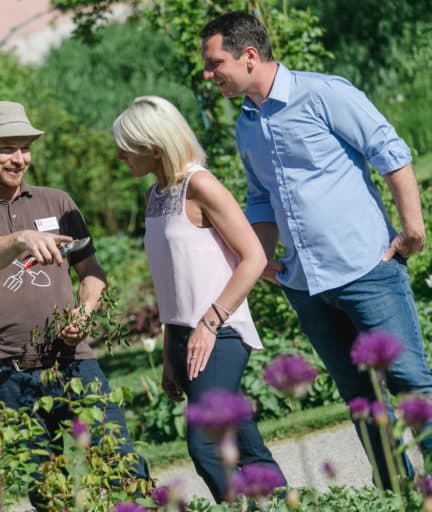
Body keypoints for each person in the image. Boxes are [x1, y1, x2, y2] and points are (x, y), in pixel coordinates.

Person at [200, 11, 432, 487]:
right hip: (307, 287)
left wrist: (413, 228)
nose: (208, 74)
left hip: (367, 270)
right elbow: (260, 198)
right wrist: (260, 259)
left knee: (411, 384)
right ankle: (398, 493)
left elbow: (389, 151)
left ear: (249, 56)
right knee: (362, 402)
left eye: (214, 63)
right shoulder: (246, 124)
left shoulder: (324, 93)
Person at [0, 101, 150, 508]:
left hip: (73, 361)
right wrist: (20, 240)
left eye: (26, 148)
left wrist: (84, 313)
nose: (20, 159)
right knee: (48, 490)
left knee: (121, 463)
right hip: (6, 375)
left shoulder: (58, 203)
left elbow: (91, 272)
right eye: (8, 148)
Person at [113, 95, 286, 502]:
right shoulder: (155, 194)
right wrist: (170, 354)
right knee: (245, 443)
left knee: (205, 445)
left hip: (218, 334)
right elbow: (173, 283)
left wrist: (210, 322)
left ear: (155, 146)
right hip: (185, 339)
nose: (120, 155)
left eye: (126, 146)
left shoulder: (200, 184)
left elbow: (254, 257)